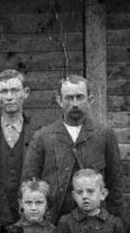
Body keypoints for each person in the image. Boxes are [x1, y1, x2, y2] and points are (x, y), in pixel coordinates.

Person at [24, 75, 124, 225]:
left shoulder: (104, 134)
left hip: (96, 220)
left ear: (90, 100)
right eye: (69, 98)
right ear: (59, 100)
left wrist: (114, 220)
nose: (75, 103)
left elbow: (115, 181)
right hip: (54, 221)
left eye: (80, 97)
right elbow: (30, 181)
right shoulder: (43, 137)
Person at [0, 70, 41, 218]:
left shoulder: (40, 133)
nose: (9, 97)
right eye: (4, 91)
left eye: (14, 90)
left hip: (30, 213)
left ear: (25, 93)